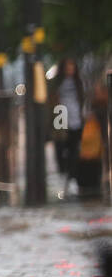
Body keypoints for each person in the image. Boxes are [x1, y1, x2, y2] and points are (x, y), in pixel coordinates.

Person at [51, 57, 85, 191]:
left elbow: (83, 99)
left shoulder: (78, 83)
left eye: (72, 66)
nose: (70, 69)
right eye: (67, 66)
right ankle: (63, 173)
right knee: (60, 147)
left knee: (74, 149)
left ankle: (71, 177)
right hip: (60, 117)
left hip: (76, 119)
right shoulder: (57, 83)